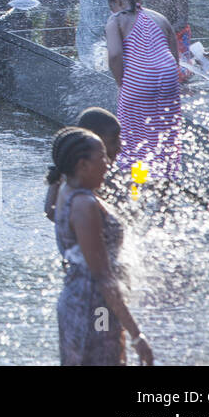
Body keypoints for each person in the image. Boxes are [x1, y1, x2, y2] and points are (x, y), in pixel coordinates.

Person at [48, 126, 153, 365]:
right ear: (82, 165)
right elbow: (102, 276)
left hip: (80, 301)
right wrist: (137, 335)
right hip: (96, 308)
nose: (108, 163)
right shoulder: (84, 205)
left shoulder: (68, 189)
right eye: (102, 157)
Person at [106, 0, 182, 184]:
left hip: (140, 81)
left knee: (134, 138)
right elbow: (174, 56)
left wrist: (122, 83)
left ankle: (136, 191)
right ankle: (165, 192)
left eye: (112, 5)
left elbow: (114, 55)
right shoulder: (159, 17)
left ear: (119, 1)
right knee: (165, 135)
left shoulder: (117, 19)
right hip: (168, 78)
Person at [44, 108, 123, 219]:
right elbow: (51, 212)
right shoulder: (70, 177)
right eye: (114, 140)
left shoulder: (114, 173)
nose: (120, 147)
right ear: (95, 142)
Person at [137, 0, 191, 75]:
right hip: (151, 31)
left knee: (180, 72)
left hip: (176, 32)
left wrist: (164, 34)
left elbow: (183, 21)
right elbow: (134, 13)